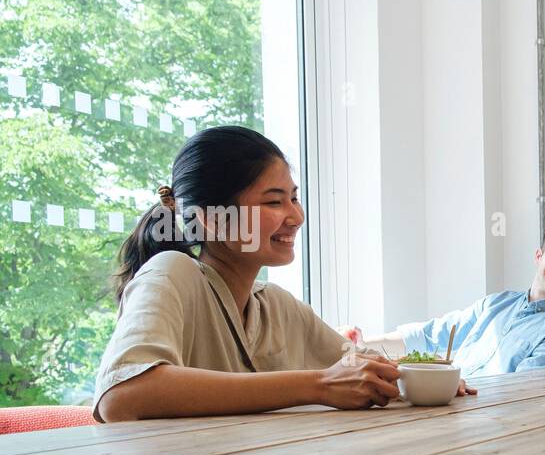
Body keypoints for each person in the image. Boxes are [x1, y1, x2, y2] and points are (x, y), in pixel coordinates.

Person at [94, 126, 464, 422]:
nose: (296, 217)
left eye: (294, 198)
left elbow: (359, 366)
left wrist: (422, 379)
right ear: (209, 217)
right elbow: (123, 396)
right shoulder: (171, 273)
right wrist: (318, 385)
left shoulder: (277, 306)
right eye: (273, 201)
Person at [343, 223, 545, 377]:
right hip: (447, 407)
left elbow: (521, 395)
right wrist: (362, 345)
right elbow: (430, 335)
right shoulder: (497, 303)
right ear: (538, 256)